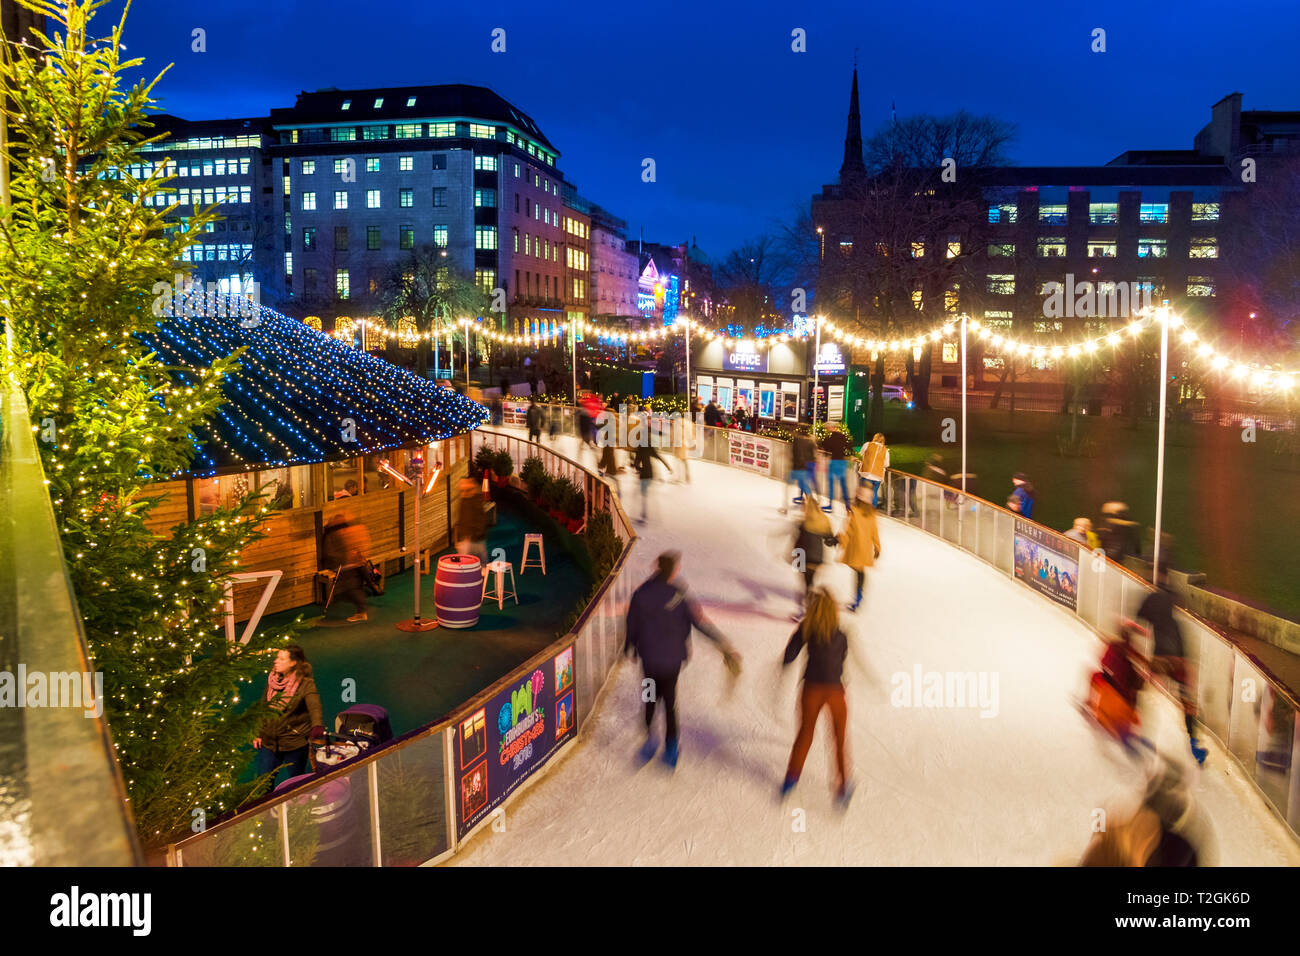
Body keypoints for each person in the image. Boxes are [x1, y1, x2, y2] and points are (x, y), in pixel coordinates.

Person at [623, 551, 742, 768]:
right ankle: (670, 746)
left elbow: (632, 623)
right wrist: (723, 643)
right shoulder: (680, 596)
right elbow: (700, 624)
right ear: (673, 570)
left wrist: (629, 647)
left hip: (649, 660)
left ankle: (650, 737)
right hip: (671, 662)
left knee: (649, 697)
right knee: (669, 702)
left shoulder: (642, 593)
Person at [780, 588, 853, 805]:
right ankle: (842, 786)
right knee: (839, 739)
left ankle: (790, 780)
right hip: (835, 691)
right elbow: (842, 659)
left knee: (805, 734)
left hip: (811, 690)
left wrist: (786, 658)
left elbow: (789, 656)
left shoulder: (807, 629)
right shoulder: (841, 635)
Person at [1137, 576, 1208, 765]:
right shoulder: (1174, 619)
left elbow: (1140, 615)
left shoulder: (1153, 601)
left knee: (1145, 690)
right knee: (1187, 702)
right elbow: (1182, 644)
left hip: (1161, 657)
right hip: (1176, 660)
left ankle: (1144, 734)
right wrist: (1188, 669)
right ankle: (1194, 744)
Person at [253, 644, 325, 791]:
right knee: (262, 784)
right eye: (277, 657)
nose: (276, 661)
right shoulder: (273, 681)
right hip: (269, 742)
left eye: (281, 659)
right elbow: (263, 707)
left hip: (294, 743)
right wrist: (258, 732)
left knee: (296, 784)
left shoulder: (306, 684)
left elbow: (314, 706)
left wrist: (317, 725)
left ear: (293, 663)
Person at [1086, 621, 1147, 749]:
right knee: (1133, 688)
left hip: (1111, 689)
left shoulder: (1114, 647)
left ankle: (1090, 702)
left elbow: (1102, 663)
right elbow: (1138, 686)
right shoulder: (1129, 662)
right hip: (1122, 696)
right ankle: (1124, 722)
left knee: (1093, 675)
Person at [322, 510, 373, 622]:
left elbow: (330, 551)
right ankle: (362, 608)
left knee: (352, 588)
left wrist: (337, 560)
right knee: (356, 587)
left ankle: (361, 612)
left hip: (349, 565)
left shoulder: (335, 533)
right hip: (357, 562)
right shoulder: (352, 529)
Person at [839, 485, 881, 612]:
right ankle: (858, 597)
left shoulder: (854, 512)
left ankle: (858, 598)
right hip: (865, 550)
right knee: (860, 573)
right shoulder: (871, 514)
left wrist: (840, 541)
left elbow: (848, 532)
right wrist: (877, 547)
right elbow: (875, 532)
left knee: (858, 573)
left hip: (855, 549)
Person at [792, 495, 834, 617]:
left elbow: (799, 544)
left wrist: (795, 561)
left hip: (806, 559)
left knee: (807, 585)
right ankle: (810, 606)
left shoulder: (804, 523)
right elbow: (829, 540)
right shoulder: (823, 520)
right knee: (811, 583)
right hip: (818, 559)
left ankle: (806, 609)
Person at [455, 470, 490, 571]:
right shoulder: (466, 500)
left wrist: (473, 535)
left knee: (472, 566)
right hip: (469, 539)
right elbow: (462, 520)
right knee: (474, 566)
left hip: (473, 540)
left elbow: (479, 520)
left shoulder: (473, 500)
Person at [632, 441, 670, 522]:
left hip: (644, 475)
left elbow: (636, 464)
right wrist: (668, 467)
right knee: (645, 494)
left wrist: (637, 468)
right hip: (650, 474)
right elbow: (659, 457)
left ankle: (644, 515)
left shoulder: (640, 449)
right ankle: (646, 514)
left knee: (643, 495)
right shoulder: (650, 448)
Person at [819, 426, 853, 513]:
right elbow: (849, 446)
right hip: (842, 463)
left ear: (832, 428)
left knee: (831, 485)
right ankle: (847, 505)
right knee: (843, 485)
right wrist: (851, 455)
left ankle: (830, 505)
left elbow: (824, 446)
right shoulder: (843, 436)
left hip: (834, 463)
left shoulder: (830, 438)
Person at [788, 430, 818, 512]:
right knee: (804, 482)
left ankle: (811, 500)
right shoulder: (809, 441)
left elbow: (806, 454)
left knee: (804, 483)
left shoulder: (803, 441)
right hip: (807, 464)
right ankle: (806, 498)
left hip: (807, 465)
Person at [858, 432, 889, 509]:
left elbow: (860, 454)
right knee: (874, 493)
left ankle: (863, 508)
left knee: (864, 492)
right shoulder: (885, 450)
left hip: (867, 473)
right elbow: (886, 464)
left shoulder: (867, 444)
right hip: (878, 476)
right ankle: (872, 510)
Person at [673, 405, 694, 484]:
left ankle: (680, 477)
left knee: (679, 460)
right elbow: (691, 434)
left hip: (679, 443)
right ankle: (686, 476)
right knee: (683, 460)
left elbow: (674, 433)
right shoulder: (688, 423)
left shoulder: (678, 422)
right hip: (684, 443)